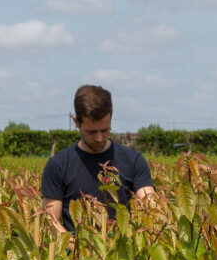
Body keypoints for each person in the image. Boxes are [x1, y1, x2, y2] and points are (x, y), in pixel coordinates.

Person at [40, 85, 155, 233]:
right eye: (91, 132)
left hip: (122, 246)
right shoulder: (58, 165)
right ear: (76, 122)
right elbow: (50, 221)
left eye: (105, 130)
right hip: (76, 246)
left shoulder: (133, 161)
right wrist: (74, 245)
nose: (99, 138)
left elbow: (150, 206)